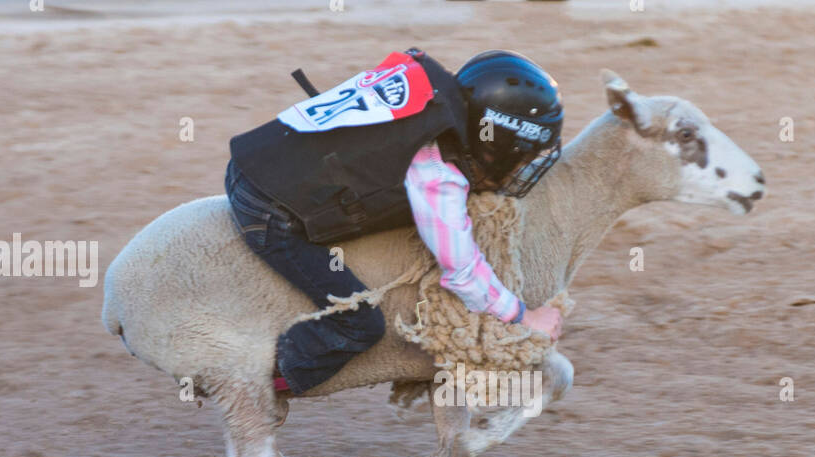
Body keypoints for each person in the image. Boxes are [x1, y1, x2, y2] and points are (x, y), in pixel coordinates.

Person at [225, 48, 565, 395]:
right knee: (359, 324)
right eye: (521, 154)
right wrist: (523, 316)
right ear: (502, 142)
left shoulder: (433, 91)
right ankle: (255, 382)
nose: (522, 164)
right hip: (266, 209)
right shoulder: (438, 172)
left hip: (255, 159)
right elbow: (461, 272)